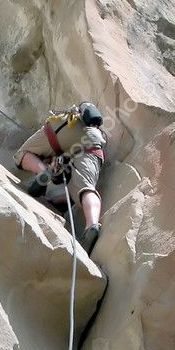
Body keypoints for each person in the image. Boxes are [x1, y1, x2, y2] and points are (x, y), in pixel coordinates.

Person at [14, 101, 107, 253]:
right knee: (86, 188)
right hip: (92, 139)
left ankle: (42, 171)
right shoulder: (96, 130)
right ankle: (92, 225)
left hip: (63, 126)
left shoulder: (74, 114)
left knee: (23, 154)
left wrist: (51, 169)